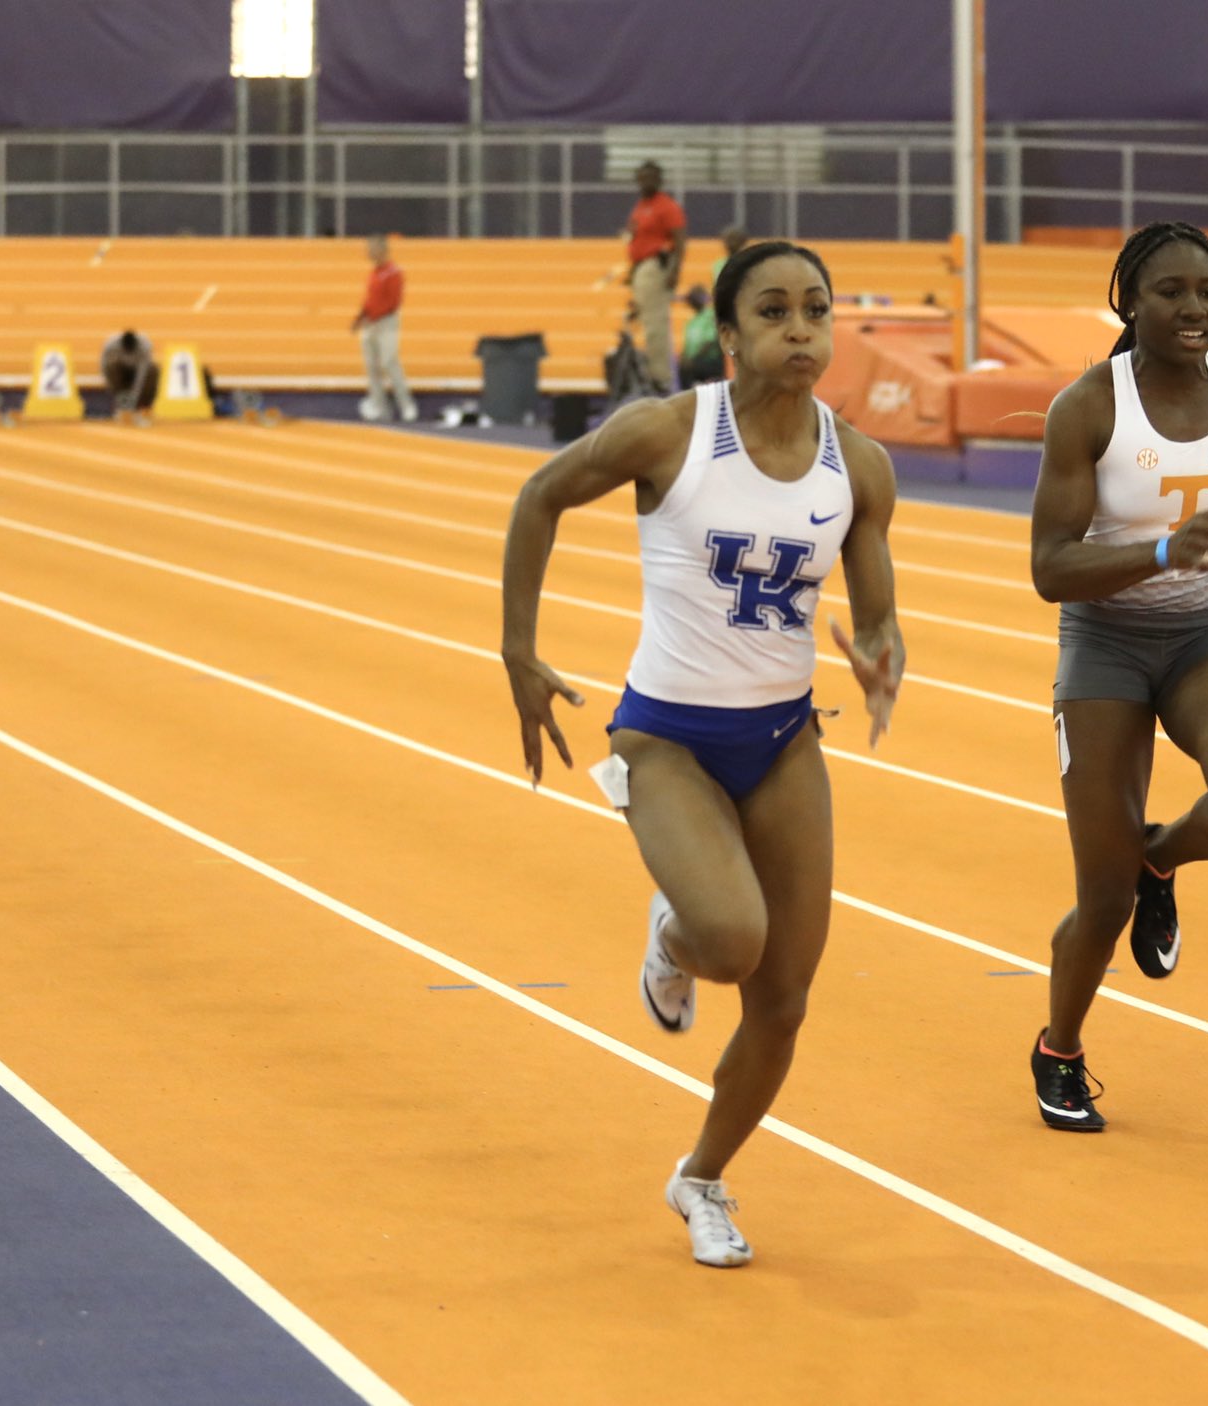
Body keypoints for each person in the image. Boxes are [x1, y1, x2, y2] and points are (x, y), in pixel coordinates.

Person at [500, 240, 904, 1265]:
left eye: (815, 309)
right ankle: (673, 935)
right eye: (772, 311)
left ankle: (701, 1177)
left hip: (779, 739)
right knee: (729, 941)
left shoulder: (856, 465)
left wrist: (878, 656)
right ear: (727, 336)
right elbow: (539, 493)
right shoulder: (667, 432)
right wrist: (519, 652)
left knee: (783, 999)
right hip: (665, 736)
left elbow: (878, 608)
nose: (799, 328)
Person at [1025, 221, 1208, 1132]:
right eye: (1172, 293)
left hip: (1202, 635)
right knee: (1099, 904)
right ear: (1129, 302)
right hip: (1104, 644)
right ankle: (1059, 1048)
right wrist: (1155, 550)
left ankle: (1162, 854)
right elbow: (1050, 570)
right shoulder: (1089, 407)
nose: (1194, 310)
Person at [624, 161, 687, 395]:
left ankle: (661, 378)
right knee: (646, 324)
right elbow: (634, 239)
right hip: (640, 269)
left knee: (656, 325)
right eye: (642, 177)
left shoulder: (666, 206)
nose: (645, 182)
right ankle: (651, 373)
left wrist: (674, 272)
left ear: (659, 180)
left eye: (650, 177)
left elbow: (680, 240)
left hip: (655, 267)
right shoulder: (640, 207)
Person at [351, 234, 418, 423]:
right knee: (372, 367)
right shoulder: (373, 274)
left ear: (383, 249)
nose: (369, 252)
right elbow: (369, 299)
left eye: (372, 248)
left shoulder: (393, 272)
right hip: (370, 323)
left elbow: (393, 302)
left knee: (389, 362)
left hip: (386, 323)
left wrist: (375, 316)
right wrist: (361, 317)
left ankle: (407, 405)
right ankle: (381, 409)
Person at [101, 330, 158, 421]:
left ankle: (144, 407)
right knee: (111, 366)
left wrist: (135, 397)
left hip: (137, 370)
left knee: (153, 370)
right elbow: (104, 367)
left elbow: (141, 375)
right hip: (121, 370)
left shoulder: (144, 346)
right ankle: (121, 406)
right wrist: (113, 389)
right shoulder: (111, 345)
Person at [677, 284, 724, 387]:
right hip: (694, 363)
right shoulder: (691, 323)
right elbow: (687, 348)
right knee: (680, 367)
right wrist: (683, 358)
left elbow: (711, 341)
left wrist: (694, 359)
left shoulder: (710, 316)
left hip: (709, 361)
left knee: (690, 369)